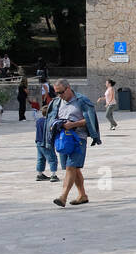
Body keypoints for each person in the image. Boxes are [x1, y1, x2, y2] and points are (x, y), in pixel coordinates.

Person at [42, 79, 101, 207]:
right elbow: (50, 119)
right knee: (74, 168)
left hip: (78, 138)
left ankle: (63, 196)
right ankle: (82, 195)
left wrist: (73, 124)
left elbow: (90, 120)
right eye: (56, 93)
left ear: (68, 88)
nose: (59, 95)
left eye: (61, 92)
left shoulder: (82, 101)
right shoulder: (57, 102)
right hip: (63, 139)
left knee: (70, 167)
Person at [34, 103, 59, 181]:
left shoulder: (38, 121)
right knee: (52, 158)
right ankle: (53, 175)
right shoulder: (49, 121)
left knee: (40, 158)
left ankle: (39, 174)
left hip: (38, 142)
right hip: (47, 143)